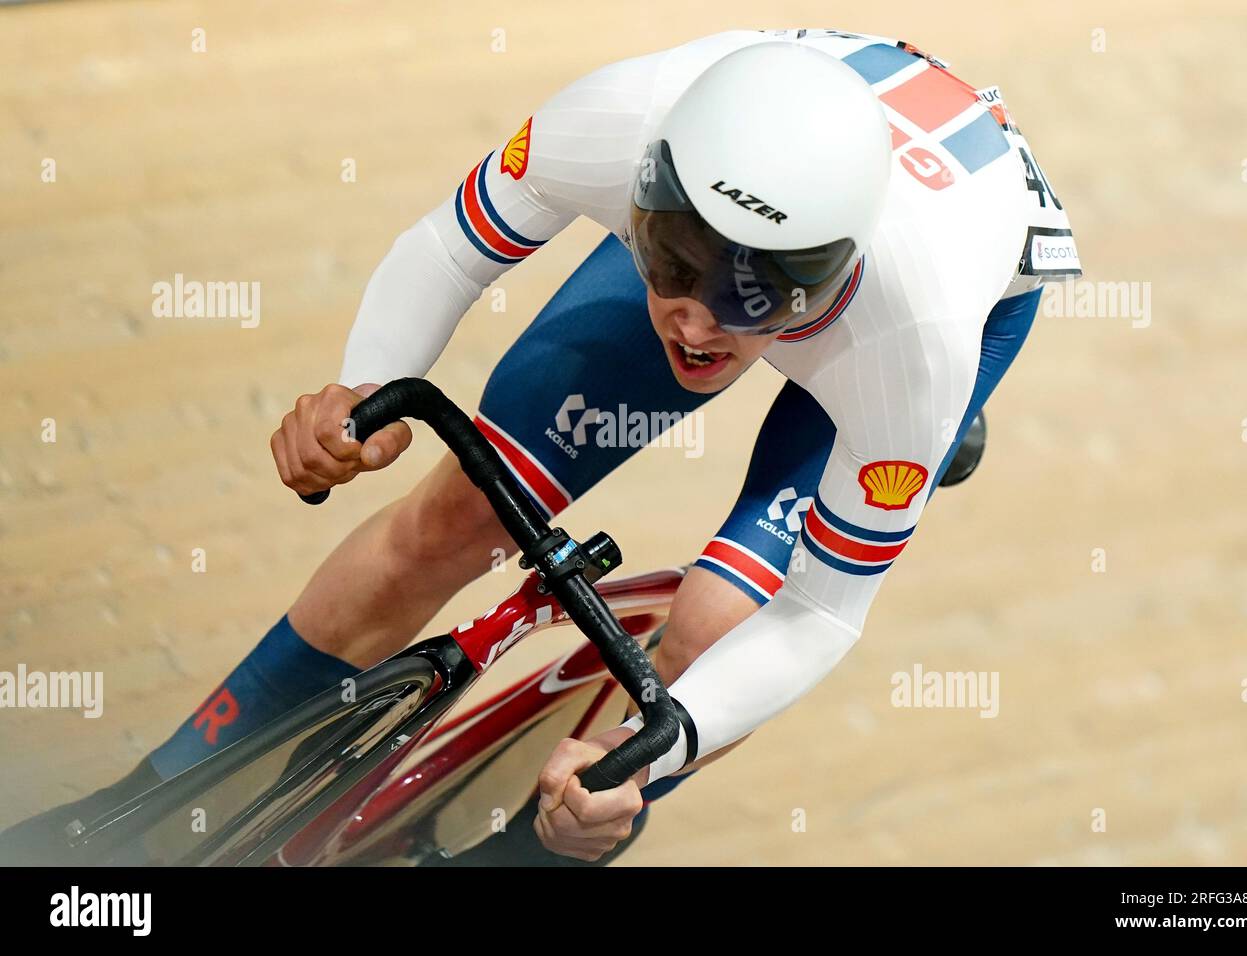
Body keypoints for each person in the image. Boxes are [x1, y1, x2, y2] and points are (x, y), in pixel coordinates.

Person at [1, 28, 1080, 865]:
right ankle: (151, 799)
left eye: (754, 294)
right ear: (648, 196)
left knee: (714, 629)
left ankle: (544, 839)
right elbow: (449, 248)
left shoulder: (914, 340)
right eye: (672, 262)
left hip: (895, 332)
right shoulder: (614, 119)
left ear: (831, 267)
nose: (697, 321)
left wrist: (659, 745)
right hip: (818, 270)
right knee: (453, 516)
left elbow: (819, 614)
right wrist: (363, 396)